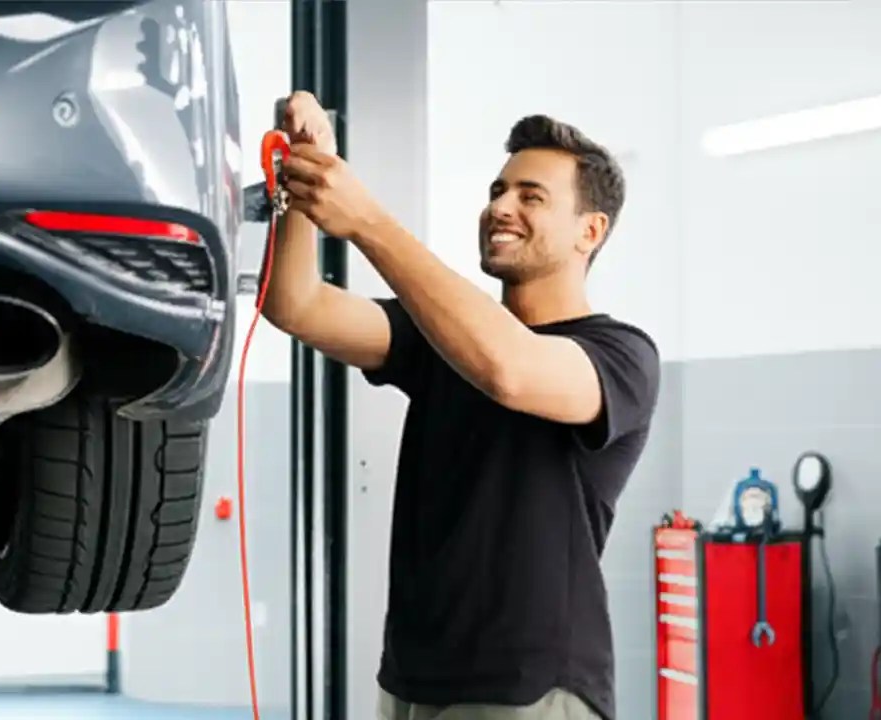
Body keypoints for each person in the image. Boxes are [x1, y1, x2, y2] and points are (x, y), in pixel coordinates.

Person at [260, 91, 661, 720]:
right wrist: (309, 177)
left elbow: (509, 369)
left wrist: (366, 219)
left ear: (591, 230)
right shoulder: (443, 336)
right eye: (498, 190)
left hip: (528, 689)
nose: (501, 207)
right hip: (413, 680)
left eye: (532, 196)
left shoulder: (622, 354)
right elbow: (298, 306)